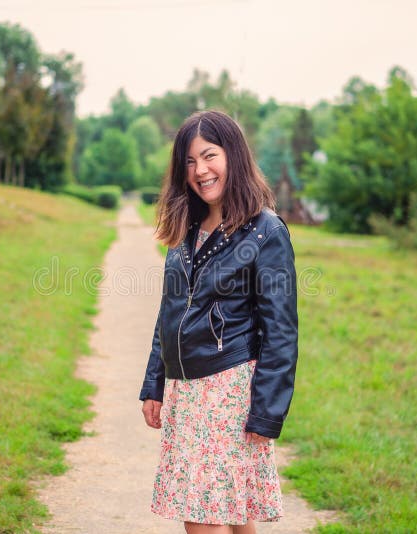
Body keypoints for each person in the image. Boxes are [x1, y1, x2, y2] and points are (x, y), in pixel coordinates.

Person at [139, 110, 298, 534]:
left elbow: (281, 332)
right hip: (186, 393)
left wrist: (267, 412)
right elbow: (169, 314)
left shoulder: (265, 232)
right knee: (232, 512)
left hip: (229, 394)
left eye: (209, 156)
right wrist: (155, 380)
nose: (200, 171)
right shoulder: (186, 229)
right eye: (189, 162)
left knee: (205, 515)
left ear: (234, 155)